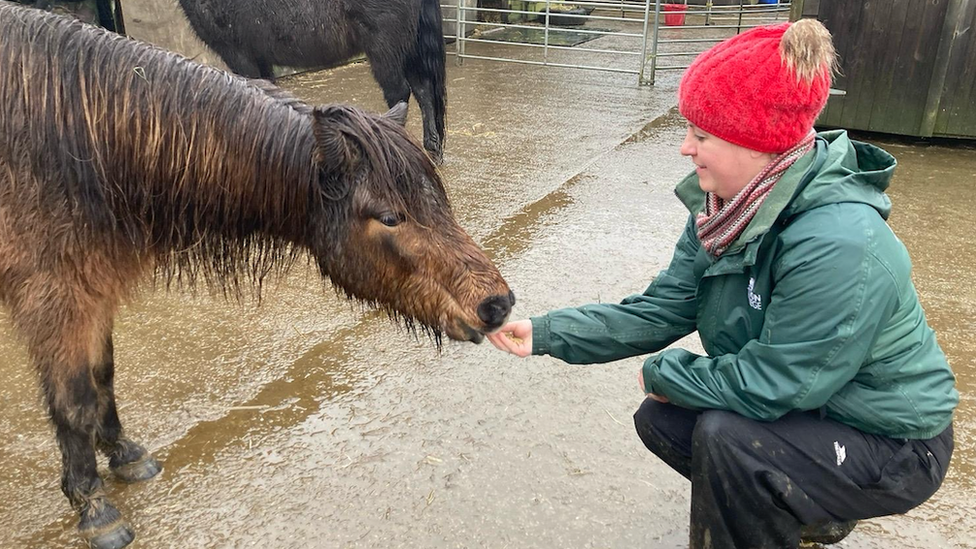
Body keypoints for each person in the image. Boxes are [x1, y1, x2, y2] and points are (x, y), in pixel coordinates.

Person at [487, 18, 957, 549]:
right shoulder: (723, 213)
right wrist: (547, 332)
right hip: (817, 405)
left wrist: (666, 371)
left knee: (729, 438)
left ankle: (803, 500)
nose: (685, 148)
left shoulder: (838, 241)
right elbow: (660, 310)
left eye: (702, 134)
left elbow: (776, 383)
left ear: (757, 143)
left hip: (891, 440)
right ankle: (804, 509)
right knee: (665, 419)